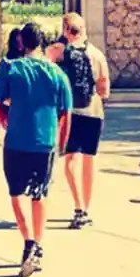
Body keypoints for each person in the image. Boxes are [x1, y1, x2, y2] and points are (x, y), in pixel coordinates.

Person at [0, 23, 72, 277]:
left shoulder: (10, 68)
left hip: (16, 142)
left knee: (17, 193)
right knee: (39, 194)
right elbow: (66, 113)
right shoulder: (58, 73)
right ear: (42, 42)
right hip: (45, 143)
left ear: (20, 43)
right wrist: (61, 145)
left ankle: (28, 243)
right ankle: (38, 243)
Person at [46, 12, 111, 229]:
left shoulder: (56, 52)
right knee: (89, 160)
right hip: (93, 111)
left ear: (65, 30)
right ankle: (87, 209)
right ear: (83, 29)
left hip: (70, 113)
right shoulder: (97, 54)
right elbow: (104, 91)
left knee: (70, 160)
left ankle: (78, 206)